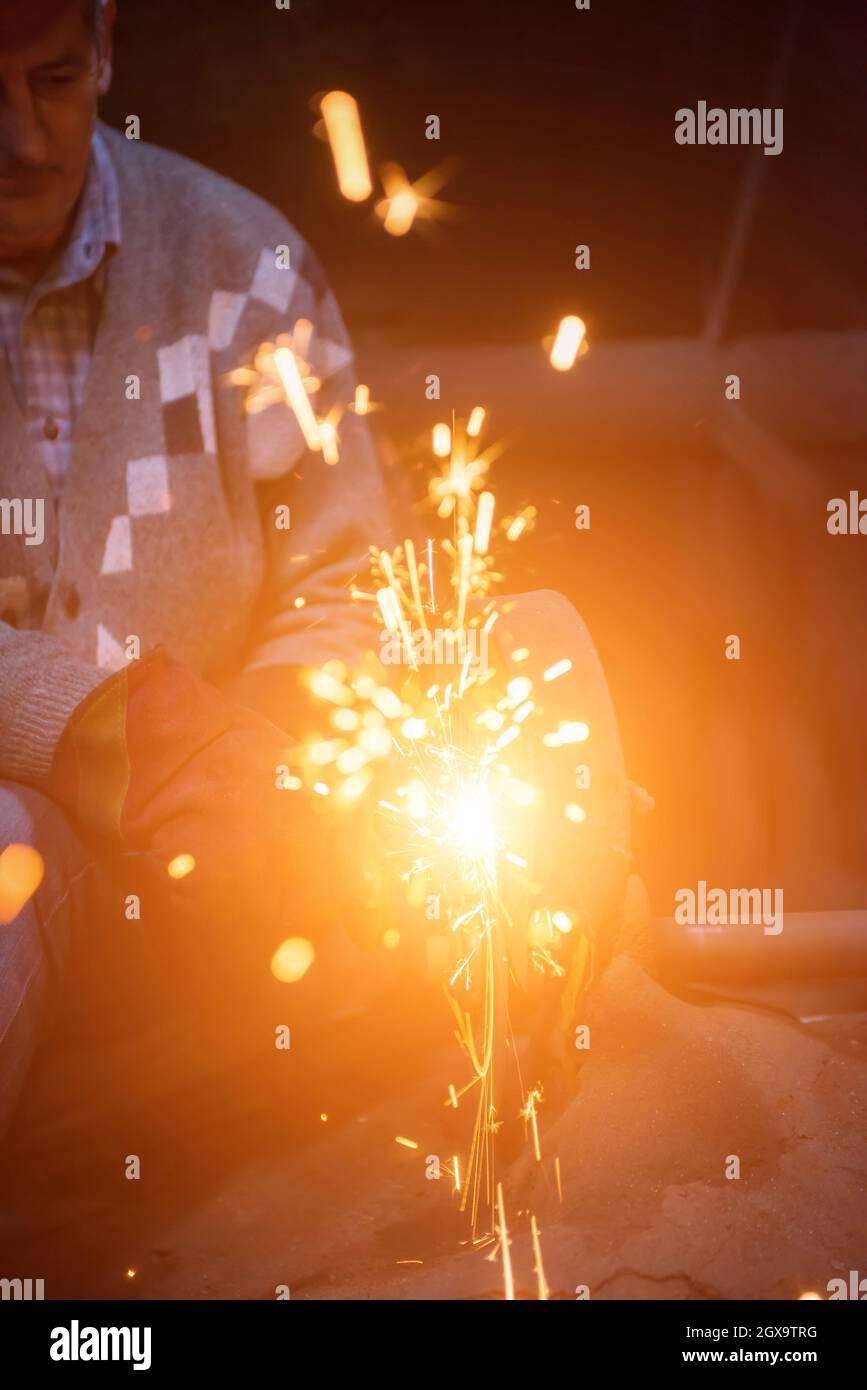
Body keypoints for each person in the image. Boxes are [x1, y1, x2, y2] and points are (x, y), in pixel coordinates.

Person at [0, 0, 391, 1139]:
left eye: (57, 80)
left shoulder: (242, 267)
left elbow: (350, 583)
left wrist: (260, 758)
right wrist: (97, 730)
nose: (21, 138)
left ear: (108, 41)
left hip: (215, 881)